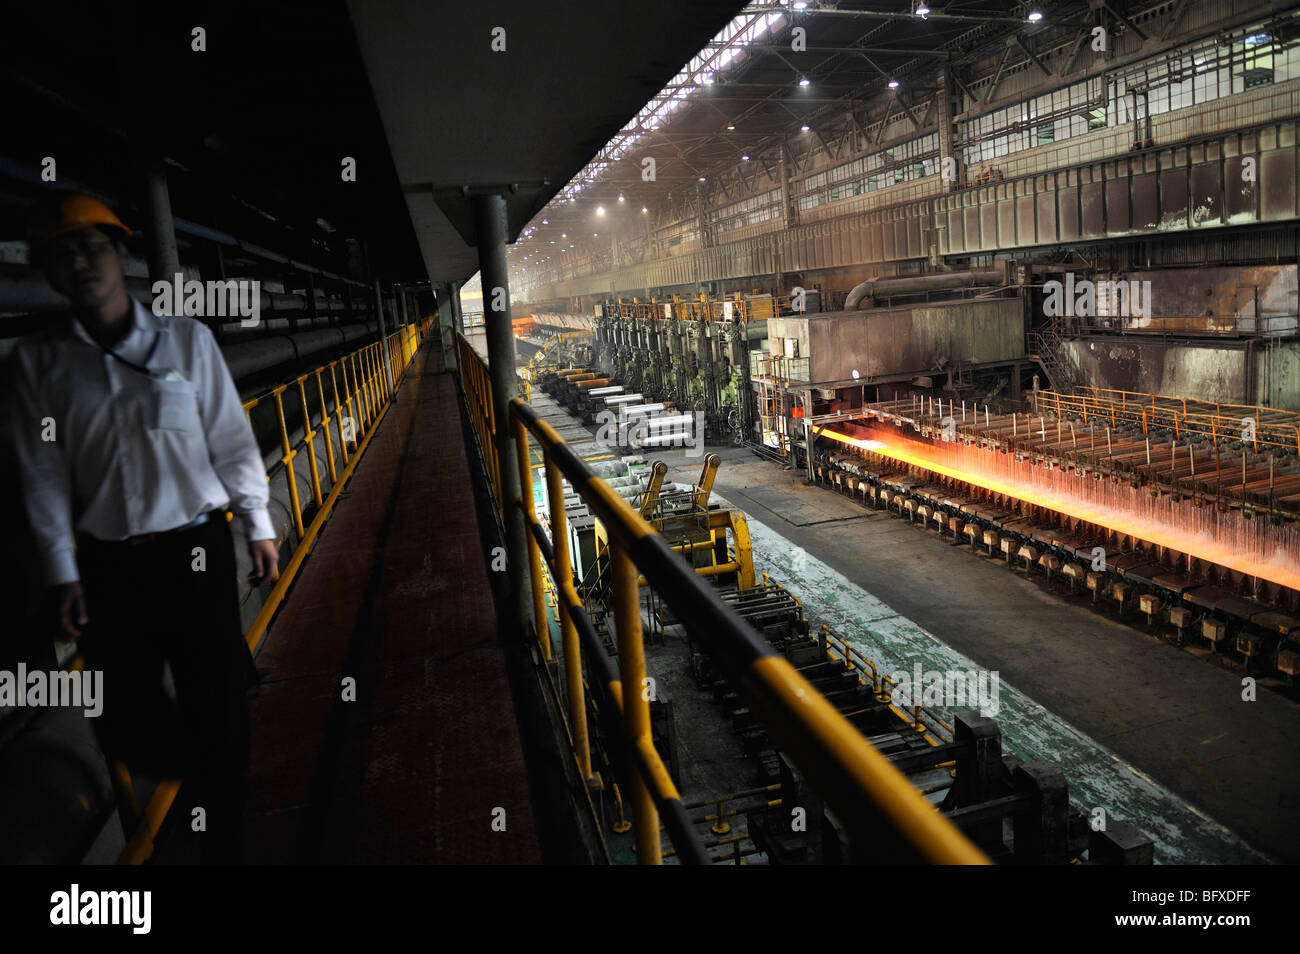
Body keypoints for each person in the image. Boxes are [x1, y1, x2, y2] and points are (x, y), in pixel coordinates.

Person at [9, 192, 279, 863]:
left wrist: (260, 523)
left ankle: (224, 834)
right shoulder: (38, 369)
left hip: (195, 550)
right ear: (47, 272)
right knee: (121, 718)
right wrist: (61, 572)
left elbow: (231, 441)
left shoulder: (186, 341)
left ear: (121, 254)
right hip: (108, 565)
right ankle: (213, 765)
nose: (80, 260)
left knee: (215, 698)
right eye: (63, 252)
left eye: (93, 246)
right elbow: (39, 475)